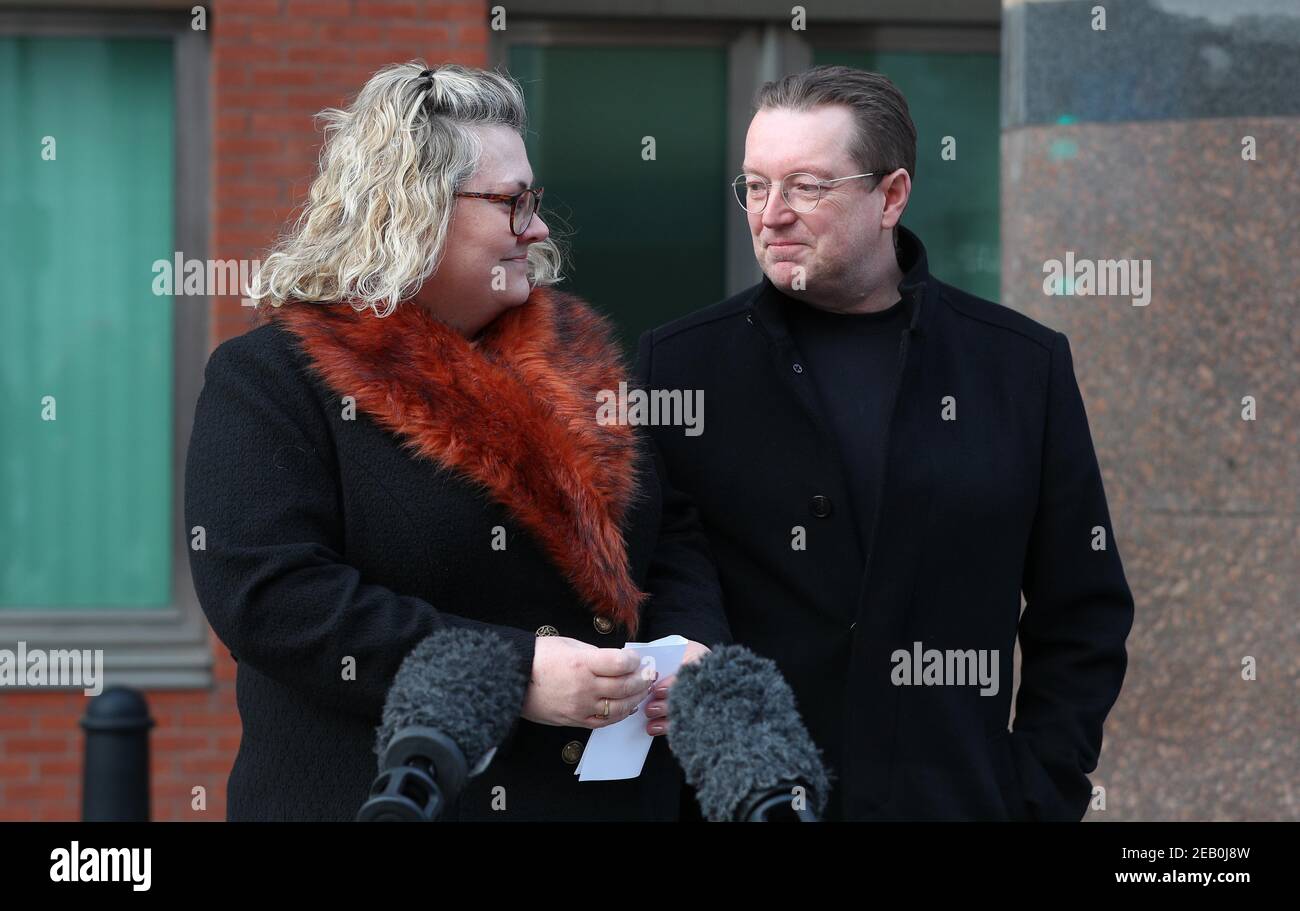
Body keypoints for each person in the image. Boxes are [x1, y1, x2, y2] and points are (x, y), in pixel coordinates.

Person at [184, 61, 728, 821]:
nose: (537, 228)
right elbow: (270, 597)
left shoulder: (580, 358)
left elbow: (667, 534)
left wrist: (689, 643)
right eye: (513, 202)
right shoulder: (272, 379)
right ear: (413, 209)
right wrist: (514, 671)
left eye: (533, 201)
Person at [639, 65, 1134, 820]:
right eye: (754, 185)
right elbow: (654, 579)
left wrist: (1034, 794)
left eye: (806, 186)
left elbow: (1083, 612)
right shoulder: (675, 366)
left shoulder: (1021, 366)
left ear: (891, 196)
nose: (771, 214)